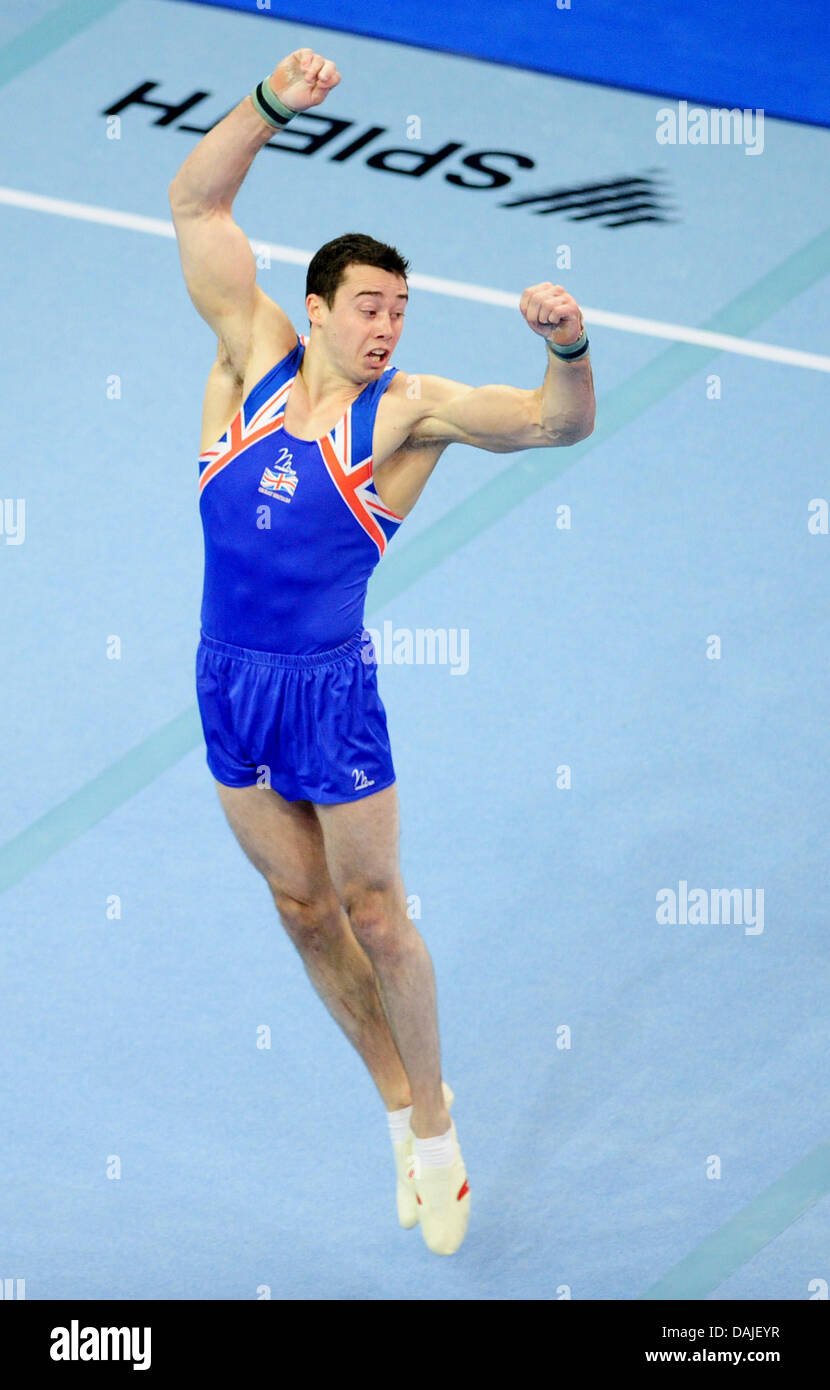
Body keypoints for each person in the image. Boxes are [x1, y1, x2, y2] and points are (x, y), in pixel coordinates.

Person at [168, 48, 595, 1258]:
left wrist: (564, 347)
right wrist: (264, 106)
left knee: (376, 913)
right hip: (225, 682)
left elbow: (555, 426)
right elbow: (197, 205)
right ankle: (396, 1109)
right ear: (313, 308)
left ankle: (443, 1122)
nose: (387, 326)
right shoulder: (244, 362)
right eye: (369, 306)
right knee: (302, 912)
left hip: (328, 696)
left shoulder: (403, 415)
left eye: (399, 310)